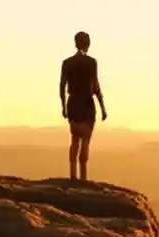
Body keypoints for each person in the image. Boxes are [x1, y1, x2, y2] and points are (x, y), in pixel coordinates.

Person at [60, 31, 107, 181]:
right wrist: (103, 107)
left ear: (75, 43)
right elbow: (96, 86)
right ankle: (83, 177)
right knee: (85, 140)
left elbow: (61, 86)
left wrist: (64, 107)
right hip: (87, 103)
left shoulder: (67, 63)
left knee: (74, 140)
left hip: (73, 103)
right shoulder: (91, 62)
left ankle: (73, 175)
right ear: (88, 44)